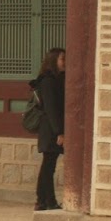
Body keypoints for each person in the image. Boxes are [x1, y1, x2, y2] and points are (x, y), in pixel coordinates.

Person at [32, 47, 66, 211]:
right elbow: (52, 109)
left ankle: (44, 201)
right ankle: (45, 200)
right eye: (62, 59)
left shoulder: (57, 79)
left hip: (52, 127)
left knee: (49, 166)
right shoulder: (48, 81)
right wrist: (59, 131)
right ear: (54, 61)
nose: (64, 63)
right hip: (50, 129)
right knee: (48, 166)